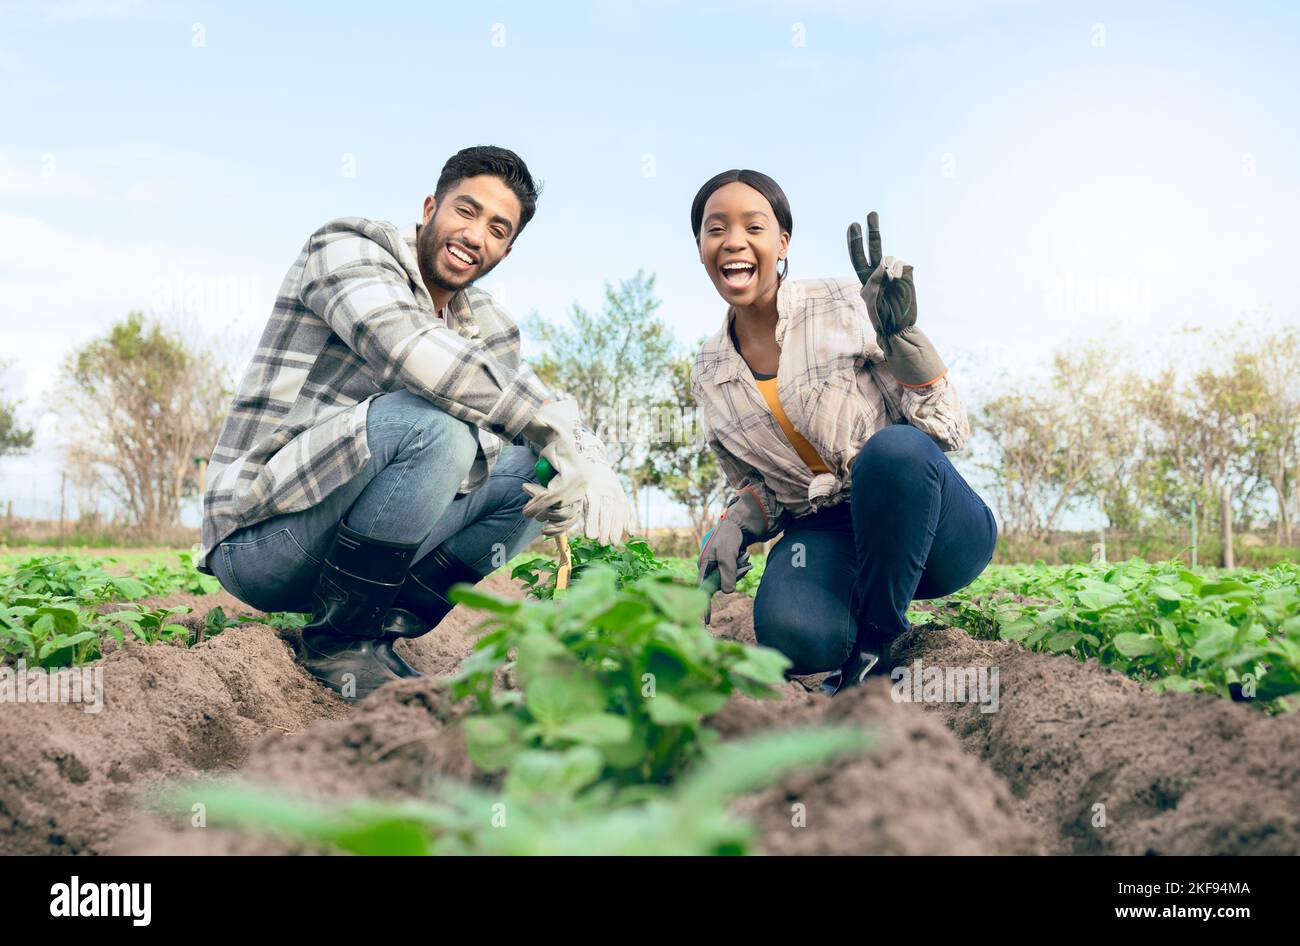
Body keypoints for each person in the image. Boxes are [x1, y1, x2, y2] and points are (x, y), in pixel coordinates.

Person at [198, 145, 634, 700]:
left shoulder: (490, 327)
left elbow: (523, 415)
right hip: (261, 538)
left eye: (499, 230)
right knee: (434, 425)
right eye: (466, 211)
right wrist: (556, 424)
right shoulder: (346, 250)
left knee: (536, 467)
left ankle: (374, 634)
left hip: (346, 557)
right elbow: (411, 351)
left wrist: (582, 457)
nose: (477, 236)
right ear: (430, 207)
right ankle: (337, 640)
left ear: (507, 248)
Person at [691, 169, 997, 695]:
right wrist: (736, 523)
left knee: (895, 452)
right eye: (715, 228)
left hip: (924, 518)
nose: (734, 241)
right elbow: (759, 485)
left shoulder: (844, 302)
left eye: (753, 227)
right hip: (828, 532)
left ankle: (877, 642)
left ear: (782, 242)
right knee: (793, 635)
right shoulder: (708, 368)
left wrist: (901, 338)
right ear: (700, 246)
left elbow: (945, 428)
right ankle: (849, 621)